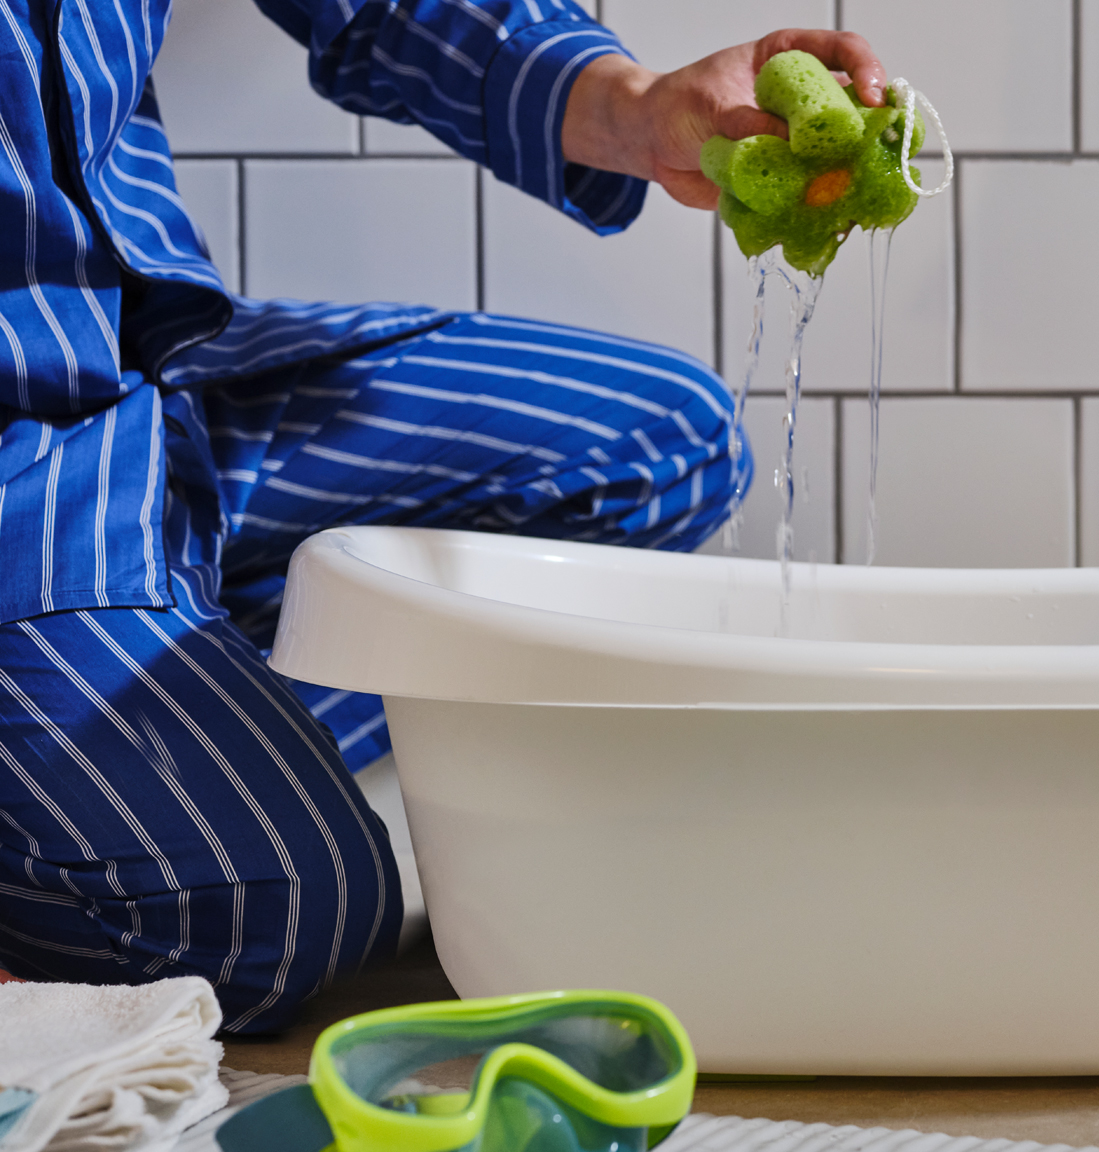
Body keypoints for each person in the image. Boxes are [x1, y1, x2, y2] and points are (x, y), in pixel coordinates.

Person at [0, 0, 887, 1033]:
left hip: (147, 375)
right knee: (269, 913)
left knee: (658, 446)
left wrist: (628, 105)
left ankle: (171, 754)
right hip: (21, 461)